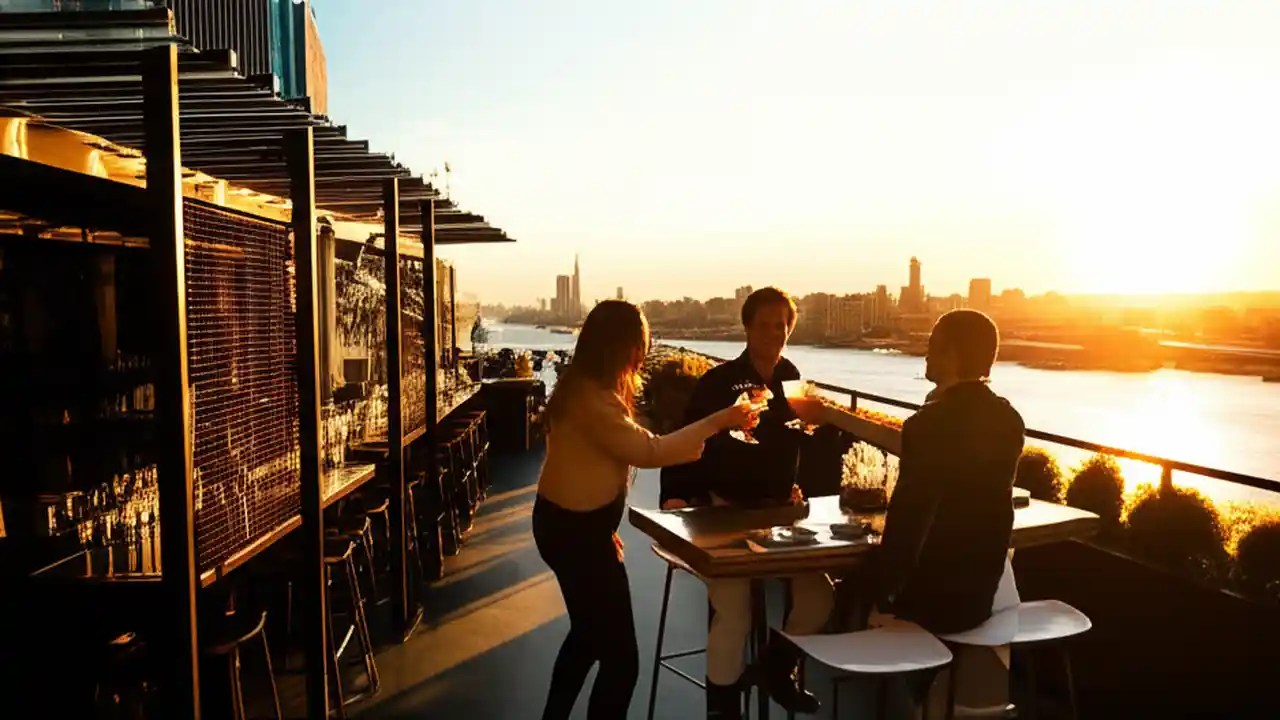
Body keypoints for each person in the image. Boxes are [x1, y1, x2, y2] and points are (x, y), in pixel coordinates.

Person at [534, 300, 758, 720]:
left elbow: (579, 465)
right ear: (618, 346)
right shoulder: (593, 400)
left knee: (586, 636)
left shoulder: (581, 387)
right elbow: (649, 450)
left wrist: (600, 526)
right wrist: (719, 420)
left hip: (568, 527)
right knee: (622, 662)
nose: (643, 352)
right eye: (639, 343)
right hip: (575, 534)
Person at [791, 309, 1025, 634]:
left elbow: (907, 528)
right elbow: (911, 442)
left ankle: (785, 667)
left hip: (927, 604)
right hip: (979, 599)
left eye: (933, 344)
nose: (926, 353)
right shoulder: (1008, 419)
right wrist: (830, 414)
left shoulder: (931, 424)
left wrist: (879, 592)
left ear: (952, 354)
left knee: (822, 591)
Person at [660, 287, 834, 718]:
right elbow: (689, 438)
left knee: (819, 598)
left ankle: (776, 668)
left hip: (780, 516)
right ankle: (723, 709)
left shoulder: (791, 376)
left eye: (783, 325)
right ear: (747, 328)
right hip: (723, 514)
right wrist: (677, 497)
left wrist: (803, 486)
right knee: (735, 610)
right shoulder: (719, 383)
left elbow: (804, 441)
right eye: (766, 325)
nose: (776, 333)